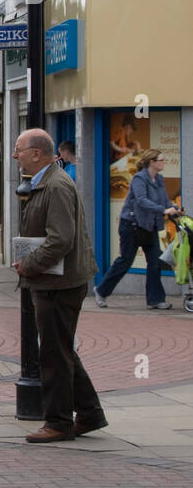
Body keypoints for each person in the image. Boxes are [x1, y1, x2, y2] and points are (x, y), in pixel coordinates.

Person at [12, 128, 106, 443]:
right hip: (53, 279)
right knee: (61, 350)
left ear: (37, 153)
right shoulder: (44, 182)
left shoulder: (56, 186)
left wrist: (29, 264)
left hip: (59, 283)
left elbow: (60, 240)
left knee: (52, 355)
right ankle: (90, 414)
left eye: (19, 149)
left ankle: (59, 422)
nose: (15, 155)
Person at [94, 149, 179, 310]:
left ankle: (155, 299)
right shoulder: (139, 178)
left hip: (149, 226)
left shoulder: (159, 179)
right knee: (125, 261)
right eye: (161, 160)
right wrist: (163, 210)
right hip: (131, 225)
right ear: (152, 162)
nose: (164, 162)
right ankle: (101, 290)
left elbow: (165, 201)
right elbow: (141, 200)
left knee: (155, 262)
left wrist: (175, 209)